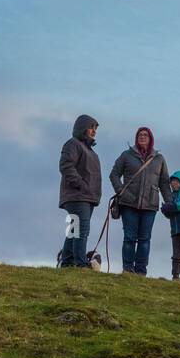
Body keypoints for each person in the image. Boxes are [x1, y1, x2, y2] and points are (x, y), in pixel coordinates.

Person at [109, 127, 171, 276]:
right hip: (128, 203)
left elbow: (164, 183)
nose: (142, 137)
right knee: (129, 238)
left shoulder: (159, 159)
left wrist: (169, 202)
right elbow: (114, 175)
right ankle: (128, 269)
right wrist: (121, 191)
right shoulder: (126, 155)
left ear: (150, 138)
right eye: (140, 135)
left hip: (150, 204)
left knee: (145, 239)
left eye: (145, 135)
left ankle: (141, 271)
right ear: (136, 138)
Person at [58, 115, 102, 268]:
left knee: (73, 229)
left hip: (87, 197)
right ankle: (81, 264)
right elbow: (65, 165)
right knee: (81, 230)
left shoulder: (91, 152)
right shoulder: (72, 144)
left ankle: (67, 262)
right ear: (83, 127)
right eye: (92, 127)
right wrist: (80, 185)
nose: (94, 131)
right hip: (77, 195)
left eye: (95, 129)